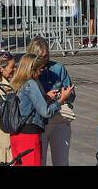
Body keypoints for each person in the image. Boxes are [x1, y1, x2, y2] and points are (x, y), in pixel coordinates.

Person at [8, 52, 71, 166]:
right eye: (40, 69)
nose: (42, 71)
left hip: (16, 134)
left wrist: (45, 97)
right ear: (33, 69)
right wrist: (61, 99)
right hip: (29, 135)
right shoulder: (31, 84)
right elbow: (46, 112)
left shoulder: (17, 82)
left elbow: (27, 105)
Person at [27, 36, 75, 166]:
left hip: (59, 120)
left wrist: (65, 94)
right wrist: (45, 96)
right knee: (39, 161)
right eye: (40, 57)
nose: (44, 60)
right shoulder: (28, 73)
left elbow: (72, 95)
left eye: (46, 56)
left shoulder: (58, 68)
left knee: (61, 162)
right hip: (39, 123)